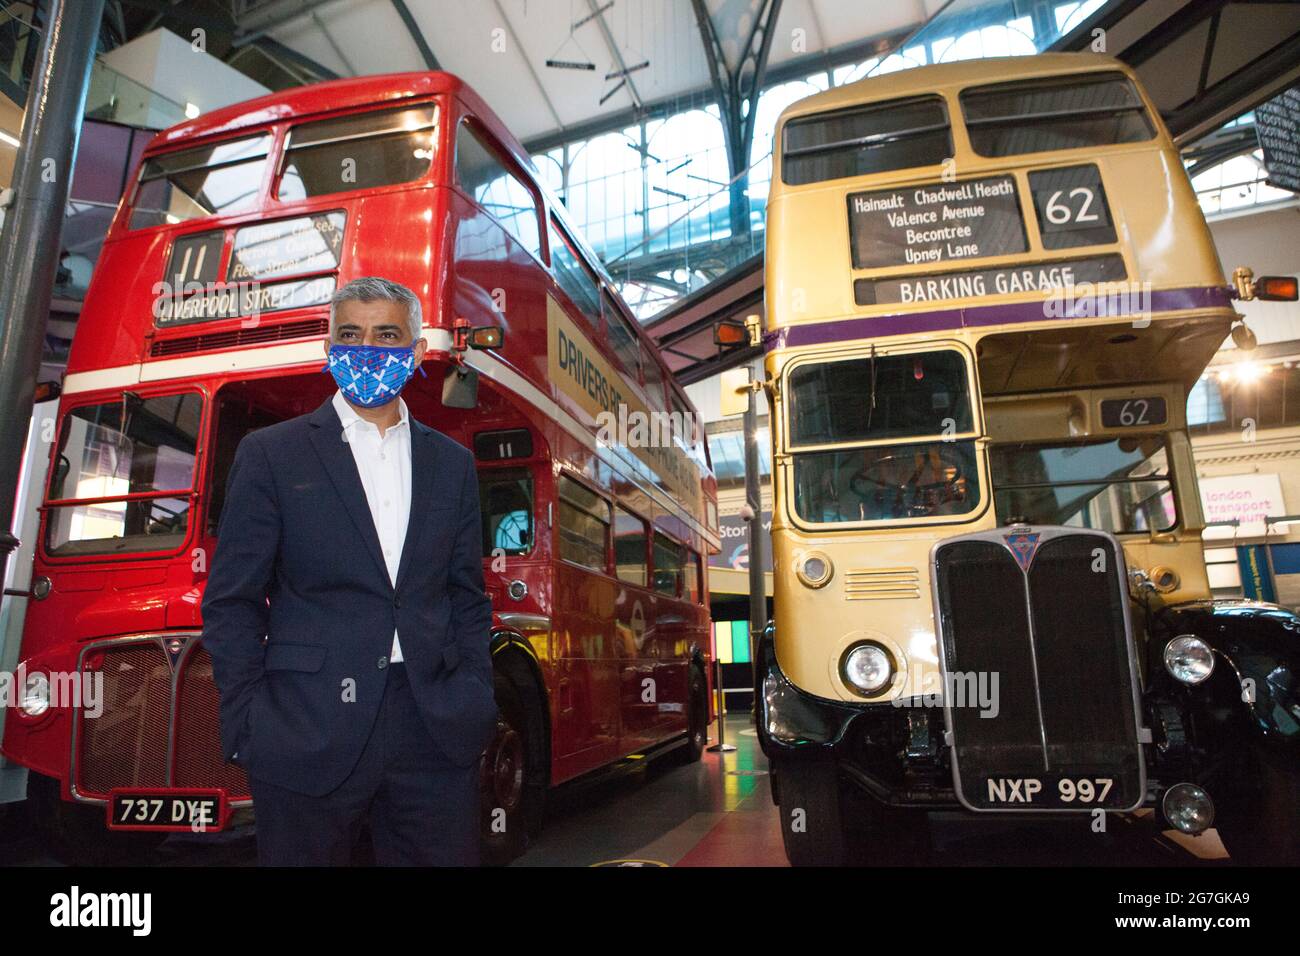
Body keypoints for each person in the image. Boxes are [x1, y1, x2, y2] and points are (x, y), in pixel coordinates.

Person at [201, 275, 497, 866]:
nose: (367, 348)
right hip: (304, 726)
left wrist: (474, 695)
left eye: (386, 335)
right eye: (350, 334)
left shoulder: (452, 465)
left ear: (415, 354)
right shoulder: (271, 454)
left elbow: (466, 596)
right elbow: (231, 599)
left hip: (433, 727)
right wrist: (250, 719)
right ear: (329, 348)